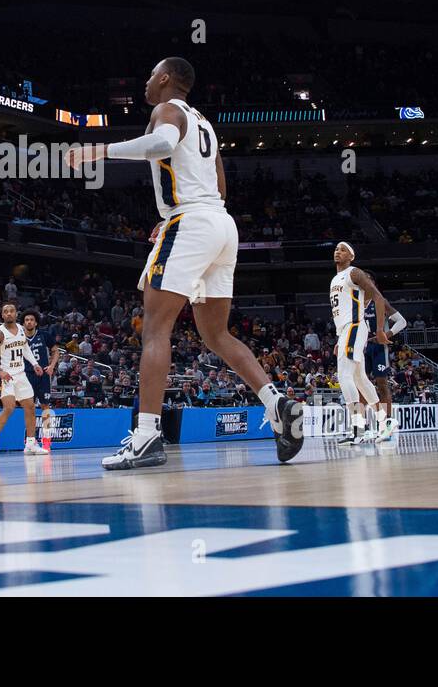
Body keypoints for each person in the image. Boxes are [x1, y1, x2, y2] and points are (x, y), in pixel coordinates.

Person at [67, 58, 303, 469]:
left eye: (148, 74)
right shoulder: (205, 123)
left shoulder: (166, 109)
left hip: (192, 222)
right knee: (215, 335)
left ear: (163, 79)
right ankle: (276, 404)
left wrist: (98, 150)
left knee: (156, 329)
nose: (144, 82)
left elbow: (159, 146)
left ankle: (145, 438)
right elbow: (220, 185)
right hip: (221, 225)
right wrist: (173, 217)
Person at [330, 242, 391, 444]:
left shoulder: (354, 273)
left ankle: (358, 428)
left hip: (354, 326)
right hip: (346, 331)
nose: (338, 251)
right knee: (360, 379)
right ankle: (384, 424)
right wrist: (341, 338)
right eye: (337, 249)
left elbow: (378, 297)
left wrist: (380, 329)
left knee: (344, 375)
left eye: (343, 249)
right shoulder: (335, 279)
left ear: (351, 256)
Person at [0, 303, 49, 456]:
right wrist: (0, 371)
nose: (8, 313)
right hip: (5, 375)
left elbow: (25, 348)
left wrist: (35, 364)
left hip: (21, 374)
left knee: (31, 407)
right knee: (9, 408)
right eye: (5, 311)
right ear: (2, 315)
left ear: (16, 313)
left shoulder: (20, 328)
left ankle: (31, 444)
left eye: (11, 311)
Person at [363, 299, 408, 442]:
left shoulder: (380, 302)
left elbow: (402, 321)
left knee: (382, 384)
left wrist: (386, 335)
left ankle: (387, 424)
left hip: (379, 347)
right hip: (363, 347)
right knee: (360, 385)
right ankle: (360, 428)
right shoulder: (356, 300)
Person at [23, 310, 58, 408]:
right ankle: (30, 424)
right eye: (26, 320)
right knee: (28, 406)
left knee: (45, 405)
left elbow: (55, 351)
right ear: (23, 323)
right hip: (27, 374)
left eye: (31, 320)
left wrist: (52, 366)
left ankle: (47, 424)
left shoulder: (44, 335)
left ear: (36, 322)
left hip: (43, 374)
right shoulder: (19, 338)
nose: (29, 322)